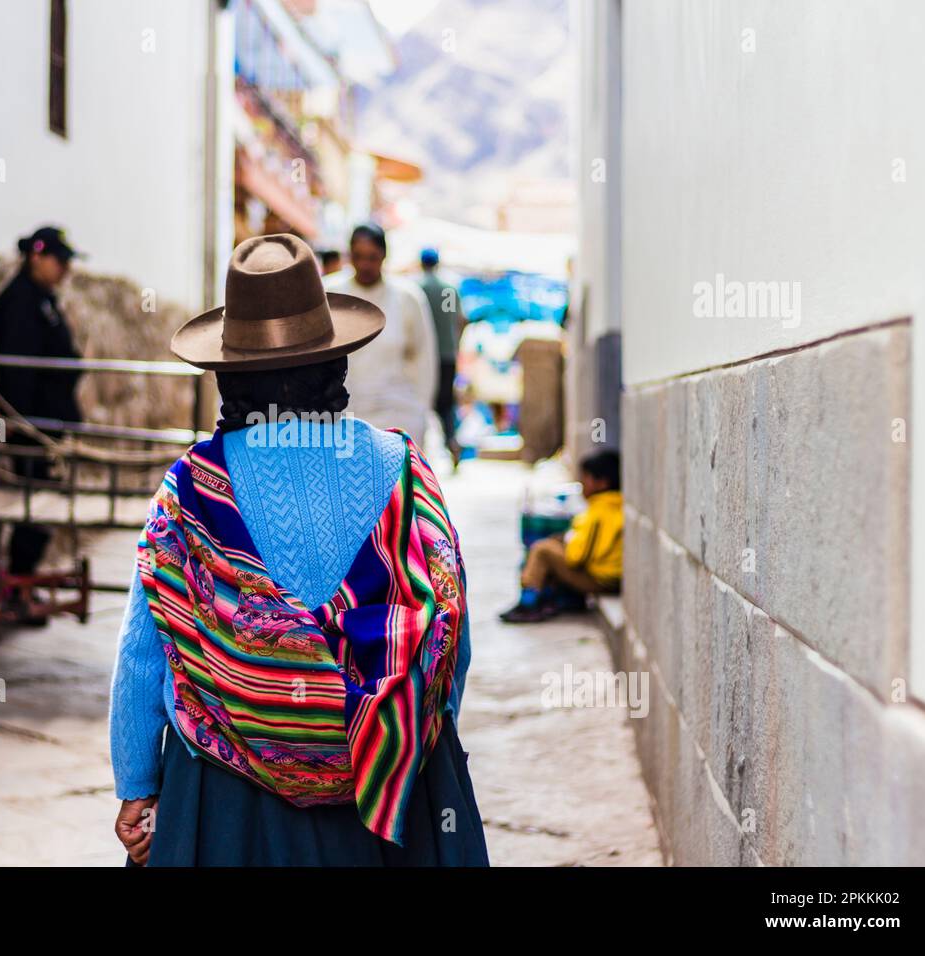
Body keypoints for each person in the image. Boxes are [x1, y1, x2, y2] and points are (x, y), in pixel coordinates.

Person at [109, 234, 486, 866]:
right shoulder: (403, 470)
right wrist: (417, 742)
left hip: (230, 803)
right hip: (385, 796)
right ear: (333, 360)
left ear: (230, 375)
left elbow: (144, 650)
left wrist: (136, 785)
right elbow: (451, 630)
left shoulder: (193, 488)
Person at [0, 226, 82, 624]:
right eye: (59, 260)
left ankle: (20, 585)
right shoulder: (19, 303)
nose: (64, 269)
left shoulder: (42, 299)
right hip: (33, 425)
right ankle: (17, 588)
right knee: (32, 505)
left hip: (47, 422)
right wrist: (27, 426)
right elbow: (19, 374)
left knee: (40, 506)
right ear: (37, 257)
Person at [323, 224, 438, 447]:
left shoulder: (408, 297)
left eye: (372, 257)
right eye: (358, 256)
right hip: (342, 418)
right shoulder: (329, 293)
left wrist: (421, 410)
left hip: (398, 416)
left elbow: (424, 359)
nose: (365, 264)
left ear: (384, 255)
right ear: (349, 255)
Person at [500, 450, 623, 624]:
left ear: (601, 483)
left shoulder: (597, 513)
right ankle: (553, 599)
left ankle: (528, 603)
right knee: (555, 542)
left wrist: (568, 541)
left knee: (542, 549)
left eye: (586, 479)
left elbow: (576, 557)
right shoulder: (616, 505)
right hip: (610, 577)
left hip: (601, 581)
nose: (582, 484)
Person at [419, 247, 466, 466]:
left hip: (423, 356)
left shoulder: (418, 288)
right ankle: (452, 442)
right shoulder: (448, 288)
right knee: (446, 403)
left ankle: (419, 450)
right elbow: (459, 319)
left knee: (422, 401)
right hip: (447, 354)